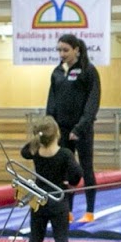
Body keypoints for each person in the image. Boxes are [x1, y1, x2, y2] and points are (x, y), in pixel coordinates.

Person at [44, 33, 101, 222]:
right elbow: (51, 102)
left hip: (81, 130)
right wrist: (50, 128)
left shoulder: (88, 71)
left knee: (86, 168)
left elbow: (92, 103)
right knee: (65, 171)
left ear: (76, 50)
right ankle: (67, 211)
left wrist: (81, 127)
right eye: (59, 50)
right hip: (62, 130)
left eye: (65, 50)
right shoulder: (57, 72)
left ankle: (90, 211)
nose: (62, 54)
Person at [20, 116, 83, 242]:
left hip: (38, 197)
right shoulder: (65, 154)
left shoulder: (35, 152)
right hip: (58, 199)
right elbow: (77, 174)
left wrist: (37, 140)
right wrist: (70, 181)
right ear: (57, 134)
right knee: (60, 236)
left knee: (36, 236)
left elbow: (24, 152)